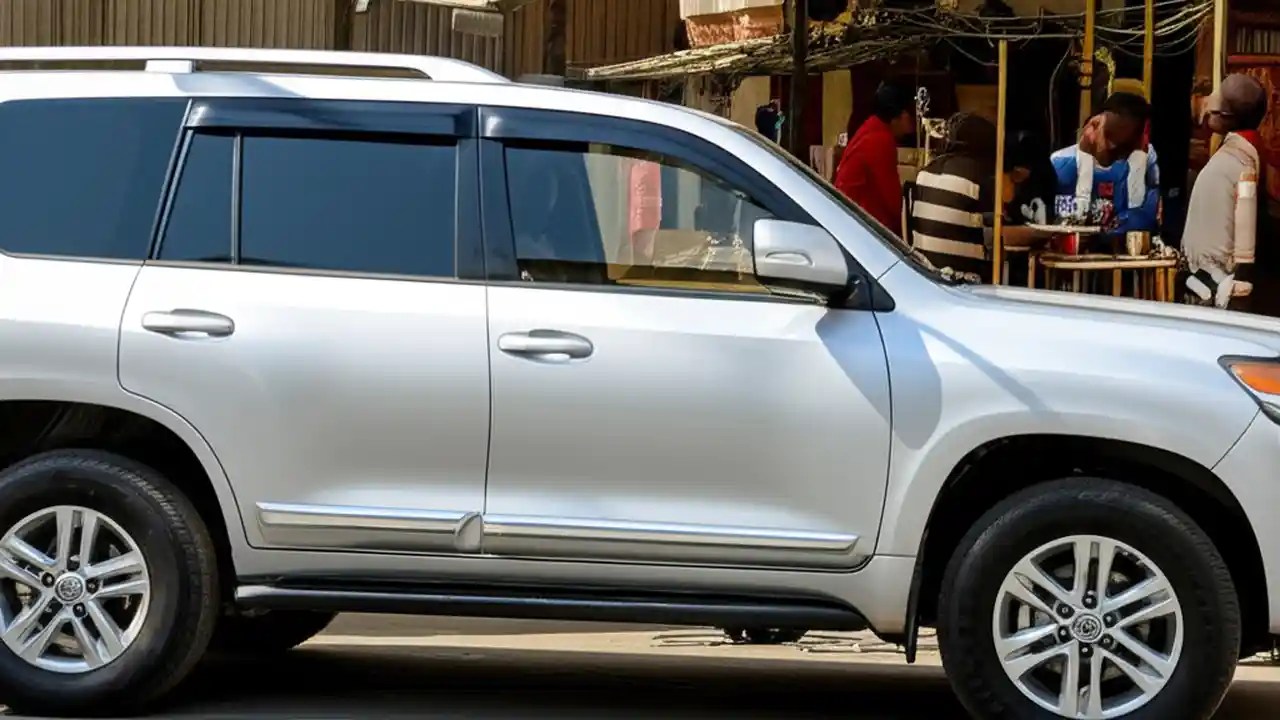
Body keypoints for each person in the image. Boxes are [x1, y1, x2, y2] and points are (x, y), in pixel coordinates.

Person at [1182, 73, 1270, 309]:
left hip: (1217, 283)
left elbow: (1242, 243)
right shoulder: (1234, 154)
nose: (1209, 104)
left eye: (1218, 98)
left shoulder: (1238, 161)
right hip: (1207, 278)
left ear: (1229, 114)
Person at [1051, 92, 1160, 239]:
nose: (1113, 146)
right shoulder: (1061, 163)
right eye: (1109, 135)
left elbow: (1146, 218)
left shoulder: (1146, 160)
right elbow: (1055, 222)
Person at [908, 112, 998, 280]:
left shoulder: (925, 173)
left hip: (924, 275)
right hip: (964, 281)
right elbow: (998, 230)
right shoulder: (981, 177)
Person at [833, 82, 915, 236]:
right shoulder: (881, 139)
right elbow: (892, 199)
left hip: (850, 218)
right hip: (860, 226)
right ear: (902, 115)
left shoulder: (870, 128)